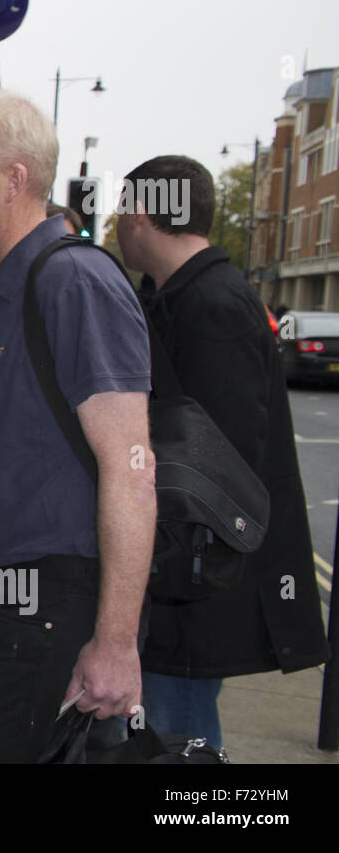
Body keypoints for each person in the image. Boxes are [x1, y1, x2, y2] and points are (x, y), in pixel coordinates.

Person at [0, 87, 155, 763]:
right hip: (4, 605)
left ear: (13, 180)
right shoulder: (2, 287)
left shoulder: (73, 281)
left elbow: (133, 471)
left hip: (49, 611)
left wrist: (113, 643)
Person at [114, 154, 329, 748]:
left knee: (178, 736)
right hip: (187, 579)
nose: (114, 220)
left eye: (121, 206)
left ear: (142, 215)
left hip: (197, 584)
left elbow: (214, 470)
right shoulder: (186, 295)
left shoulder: (212, 306)